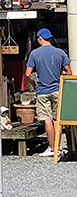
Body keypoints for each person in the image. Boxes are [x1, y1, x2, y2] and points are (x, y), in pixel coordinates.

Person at [25, 28, 72, 157]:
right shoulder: (61, 52)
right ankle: (59, 147)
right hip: (58, 89)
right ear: (50, 38)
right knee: (57, 119)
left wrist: (34, 84)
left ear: (40, 38)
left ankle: (52, 148)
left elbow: (28, 74)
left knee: (47, 119)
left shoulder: (35, 54)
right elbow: (69, 71)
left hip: (42, 90)